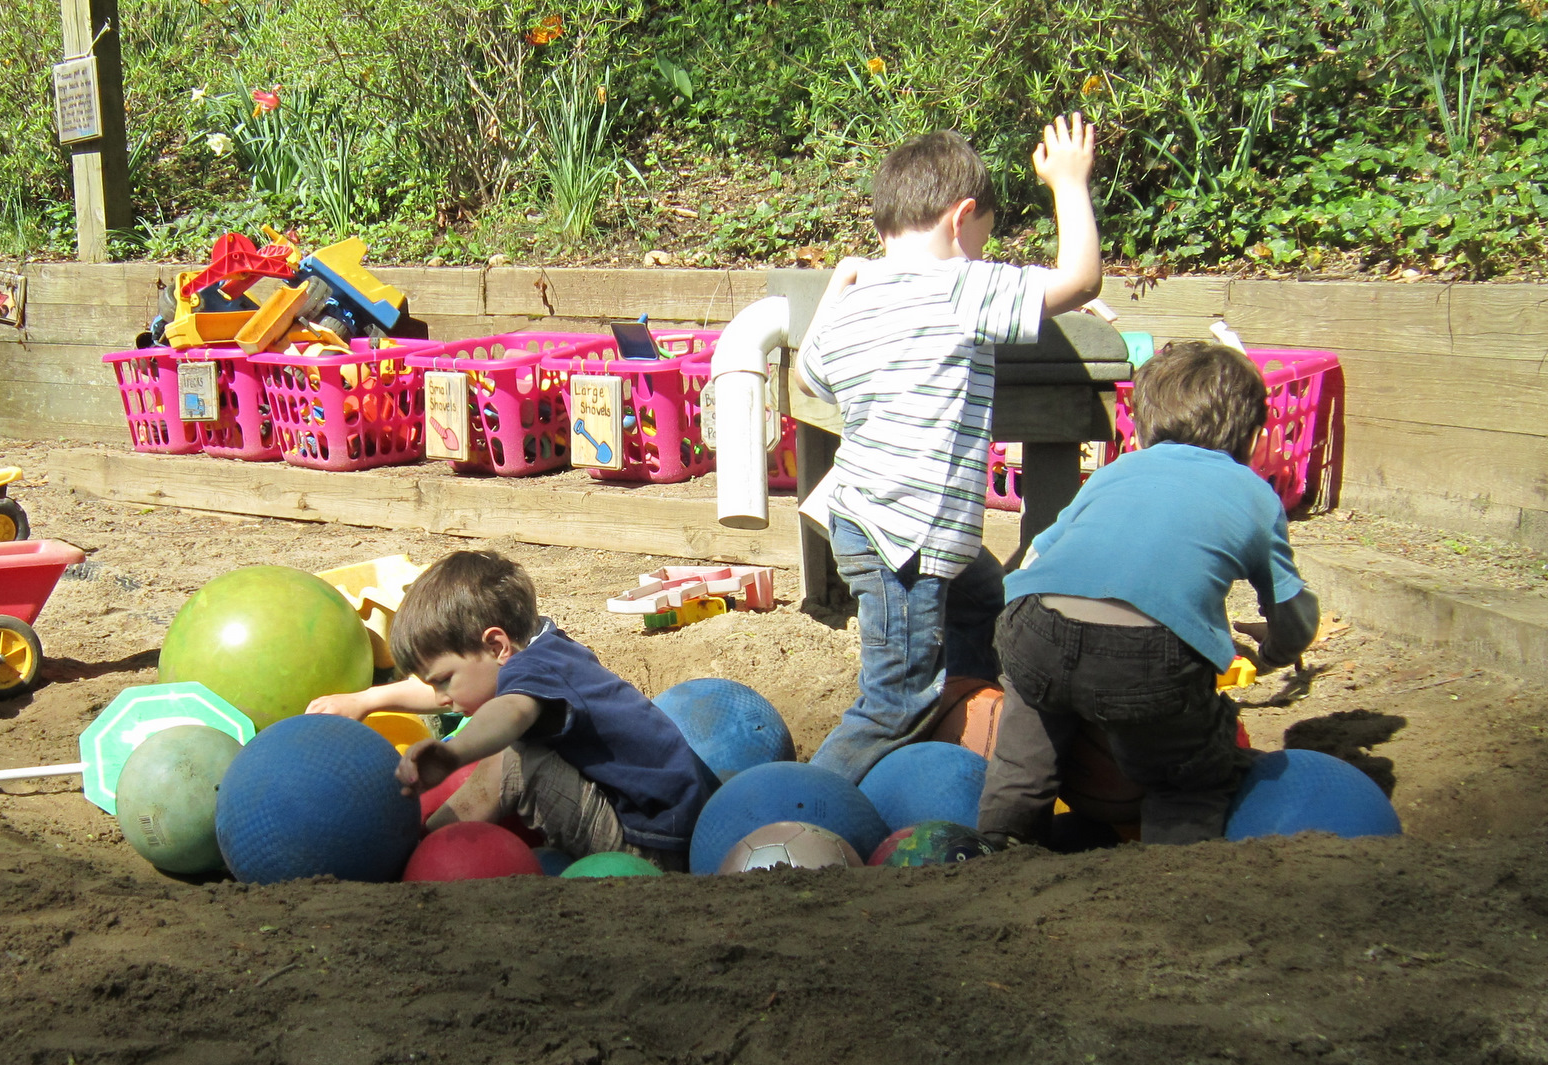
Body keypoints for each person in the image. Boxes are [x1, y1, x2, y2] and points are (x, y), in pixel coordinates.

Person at [793, 116, 1104, 784]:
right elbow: (1080, 279)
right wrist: (1070, 182)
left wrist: (840, 283)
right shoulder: (963, 285)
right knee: (895, 701)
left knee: (985, 605)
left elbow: (805, 376)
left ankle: (963, 732)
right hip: (908, 540)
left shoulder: (857, 301)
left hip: (875, 520)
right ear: (963, 219)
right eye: (985, 237)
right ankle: (798, 802)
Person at [977, 340, 1321, 847]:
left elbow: (1037, 554)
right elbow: (1293, 613)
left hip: (1036, 624)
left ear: (1141, 425)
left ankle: (996, 847)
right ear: (1251, 437)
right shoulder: (1253, 493)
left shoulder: (1114, 472)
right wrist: (1274, 652)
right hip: (1146, 658)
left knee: (1021, 767)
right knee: (1185, 780)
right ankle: (1163, 883)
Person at [306, 550, 717, 871]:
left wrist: (456, 751)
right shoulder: (545, 645)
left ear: (497, 646)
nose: (443, 697)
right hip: (684, 828)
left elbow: (512, 713)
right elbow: (457, 690)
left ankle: (418, 849)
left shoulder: (532, 672)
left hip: (653, 848)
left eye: (444, 679)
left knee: (514, 758)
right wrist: (365, 700)